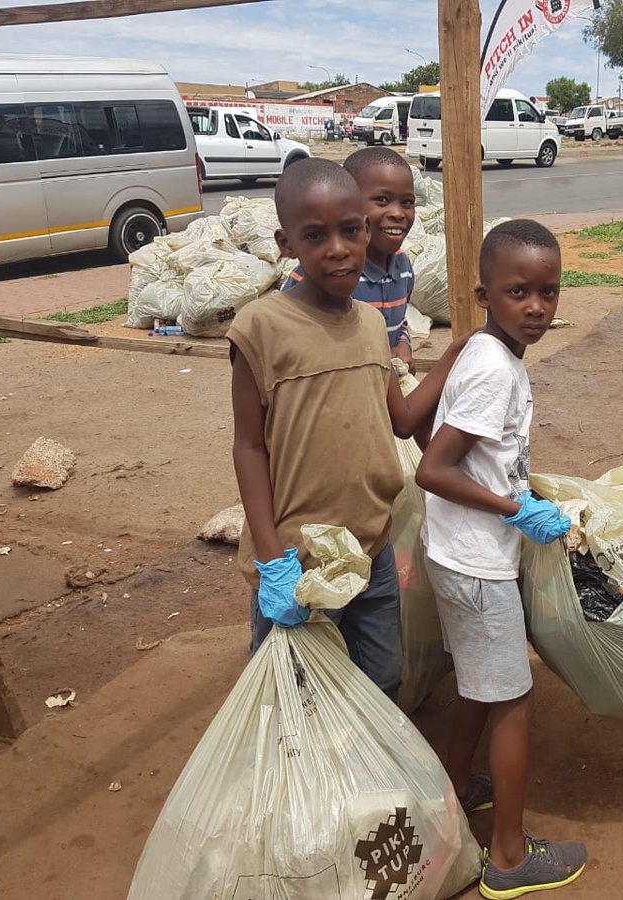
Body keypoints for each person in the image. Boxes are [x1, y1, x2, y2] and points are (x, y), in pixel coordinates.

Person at [228, 157, 466, 700]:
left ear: (364, 229)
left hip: (371, 547)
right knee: (295, 690)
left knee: (381, 675)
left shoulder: (369, 325)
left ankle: (359, 778)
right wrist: (272, 558)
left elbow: (402, 421)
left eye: (350, 230)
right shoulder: (260, 328)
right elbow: (247, 448)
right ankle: (305, 784)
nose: (338, 248)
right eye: (316, 235)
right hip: (299, 555)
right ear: (285, 243)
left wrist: (452, 356)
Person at [416, 220, 587, 899]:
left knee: (478, 688)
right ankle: (510, 857)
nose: (537, 307)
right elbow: (434, 468)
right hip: (476, 561)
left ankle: (455, 789)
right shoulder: (494, 368)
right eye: (520, 292)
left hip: (455, 552)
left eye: (549, 291)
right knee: (513, 699)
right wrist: (517, 510)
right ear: (486, 291)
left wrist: (516, 490)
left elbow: (428, 431)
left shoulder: (484, 350)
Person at [282, 146, 416, 366]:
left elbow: (399, 321)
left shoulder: (403, 268)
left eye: (407, 203)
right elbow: (285, 340)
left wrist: (402, 343)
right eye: (382, 200)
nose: (397, 213)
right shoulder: (324, 274)